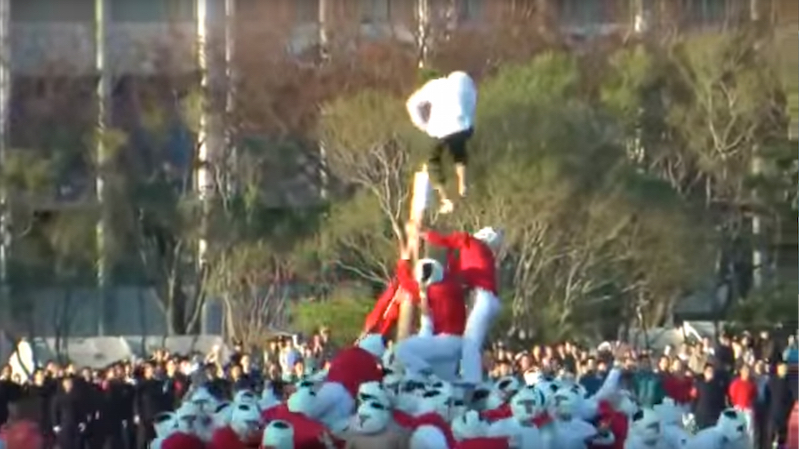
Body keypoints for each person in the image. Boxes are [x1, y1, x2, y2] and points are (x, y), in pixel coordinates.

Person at [421, 225, 502, 388]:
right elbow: (457, 273)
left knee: (469, 344)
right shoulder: (484, 256)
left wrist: (426, 234)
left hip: (483, 297)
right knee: (472, 343)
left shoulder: (471, 242)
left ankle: (469, 383)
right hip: (488, 299)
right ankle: (472, 378)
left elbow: (447, 240)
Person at [393, 244, 468, 381]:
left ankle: (427, 376)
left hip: (444, 341)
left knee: (401, 350)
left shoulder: (432, 291)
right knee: (445, 380)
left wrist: (403, 261)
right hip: (457, 343)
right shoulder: (452, 287)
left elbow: (405, 282)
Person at [406, 70, 477, 213]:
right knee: (459, 152)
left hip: (440, 130)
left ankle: (445, 200)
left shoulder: (434, 86)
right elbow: (472, 103)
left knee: (432, 160)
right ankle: (463, 186)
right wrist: (467, 122)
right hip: (463, 127)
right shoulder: (465, 83)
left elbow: (411, 104)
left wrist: (423, 125)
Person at [765, 361, 795, 449]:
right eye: (782, 368)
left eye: (785, 369)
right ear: (778, 369)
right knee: (771, 437)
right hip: (772, 413)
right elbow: (767, 396)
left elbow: (791, 399)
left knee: (782, 438)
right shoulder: (772, 381)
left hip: (784, 415)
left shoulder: (789, 383)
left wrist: (788, 412)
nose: (784, 370)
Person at [691, 364, 727, 430]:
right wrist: (693, 411)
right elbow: (693, 398)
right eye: (709, 371)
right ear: (704, 372)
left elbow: (721, 401)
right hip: (701, 415)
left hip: (714, 415)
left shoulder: (719, 386)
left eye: (712, 371)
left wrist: (723, 411)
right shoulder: (698, 384)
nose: (711, 373)